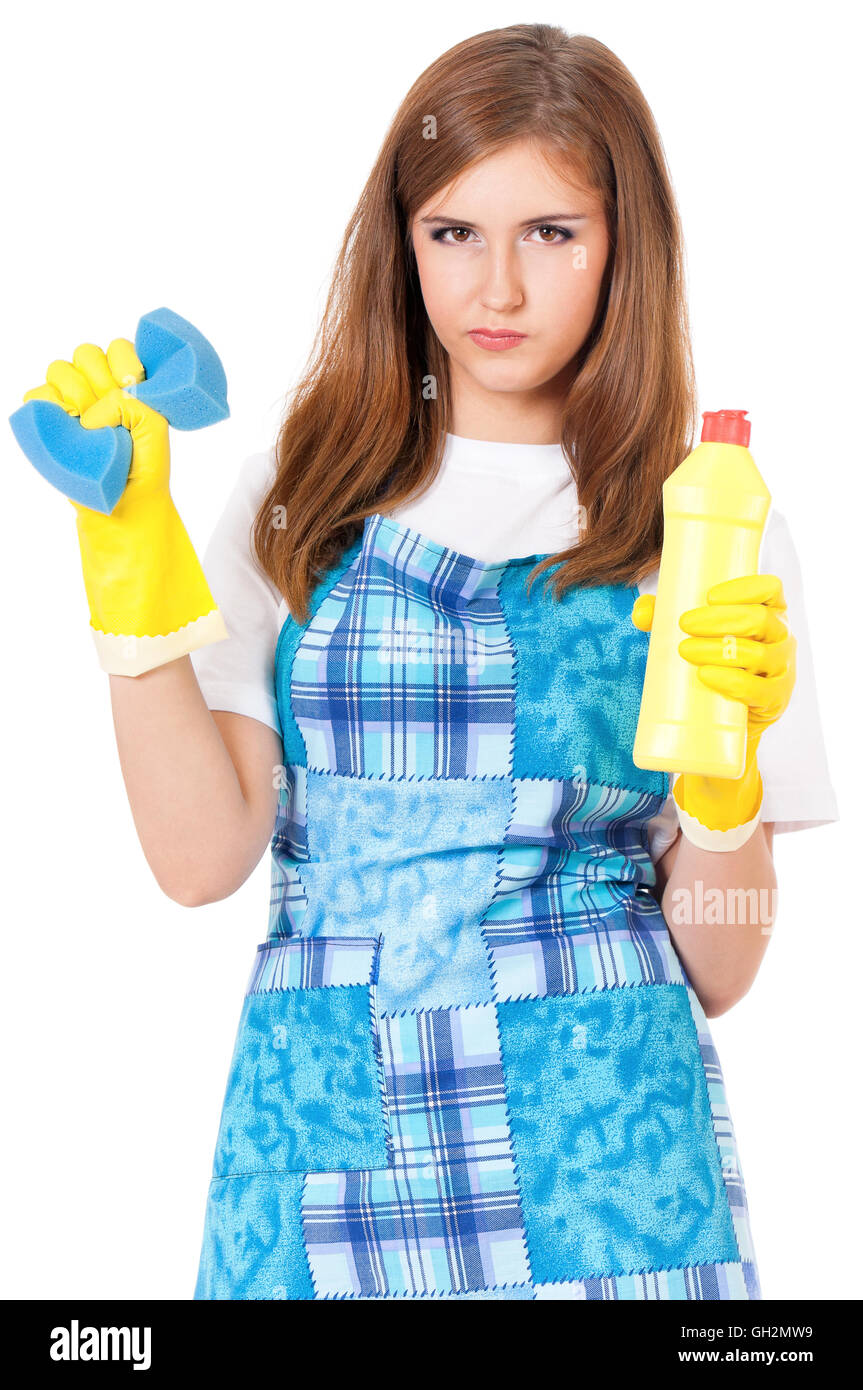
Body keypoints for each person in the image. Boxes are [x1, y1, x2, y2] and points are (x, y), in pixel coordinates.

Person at [20, 25, 838, 1301]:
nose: (495, 291)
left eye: (550, 232)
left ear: (627, 241)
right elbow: (198, 863)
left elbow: (722, 969)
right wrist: (129, 573)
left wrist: (725, 787)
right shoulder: (294, 503)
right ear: (399, 244)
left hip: (610, 1156)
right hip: (325, 1137)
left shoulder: (710, 520)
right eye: (453, 232)